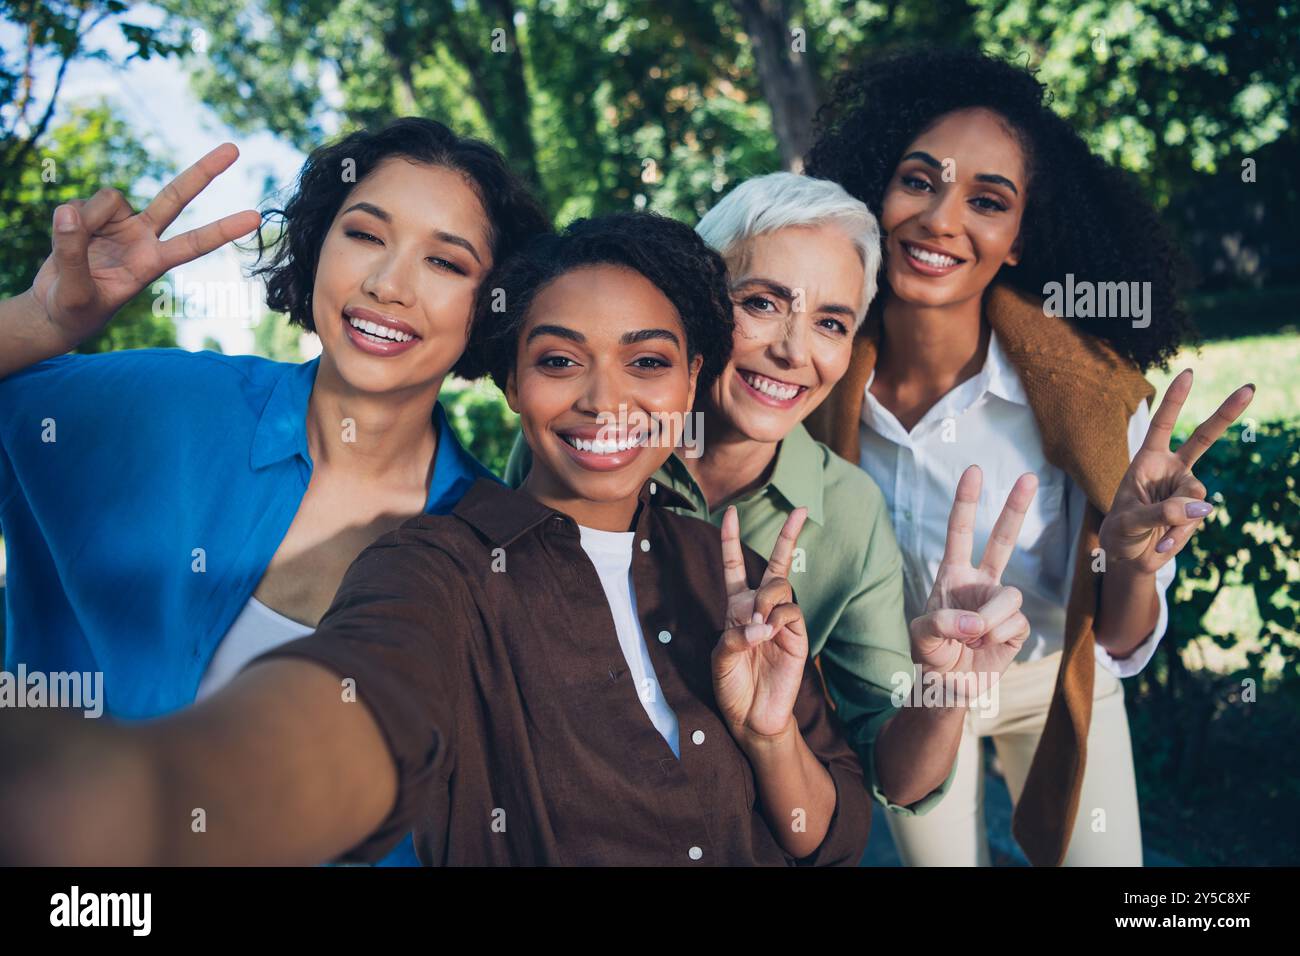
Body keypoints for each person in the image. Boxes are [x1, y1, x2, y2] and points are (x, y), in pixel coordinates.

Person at [0, 213, 870, 867]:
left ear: (690, 379)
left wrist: (769, 739)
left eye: (647, 362)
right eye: (559, 361)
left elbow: (823, 840)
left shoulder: (732, 574)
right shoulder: (440, 566)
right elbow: (360, 703)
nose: (606, 402)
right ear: (512, 386)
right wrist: (145, 800)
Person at [0, 118, 550, 865]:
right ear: (318, 245)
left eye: (446, 263)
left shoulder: (498, 552)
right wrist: (36, 322)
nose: (389, 284)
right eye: (364, 234)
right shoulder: (169, 409)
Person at [804, 47, 1255, 865]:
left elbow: (1120, 640)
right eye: (918, 181)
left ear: (1018, 239)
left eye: (987, 200)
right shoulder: (813, 384)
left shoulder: (1089, 396)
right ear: (876, 190)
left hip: (1054, 682)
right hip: (914, 691)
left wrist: (1135, 564)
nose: (941, 218)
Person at [504, 172, 1037, 817]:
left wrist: (944, 694)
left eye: (831, 323)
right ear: (695, 303)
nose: (793, 351)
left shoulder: (847, 512)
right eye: (762, 303)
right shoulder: (593, 438)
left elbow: (895, 778)